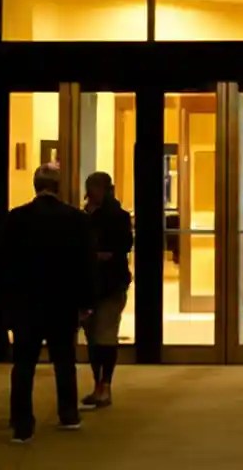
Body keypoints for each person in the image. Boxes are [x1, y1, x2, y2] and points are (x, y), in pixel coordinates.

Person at [0, 164, 96, 443]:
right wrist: (86, 302)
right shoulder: (76, 220)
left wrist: (6, 305)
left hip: (26, 304)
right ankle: (68, 413)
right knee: (64, 360)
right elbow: (85, 265)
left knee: (24, 364)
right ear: (58, 188)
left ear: (34, 186)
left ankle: (22, 424)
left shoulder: (16, 219)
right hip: (62, 303)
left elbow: (4, 265)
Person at [81, 172, 132, 410]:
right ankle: (97, 384)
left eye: (93, 189)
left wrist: (99, 254)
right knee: (92, 338)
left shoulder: (118, 216)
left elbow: (122, 246)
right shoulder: (84, 216)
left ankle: (106, 385)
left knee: (105, 336)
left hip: (111, 285)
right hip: (90, 285)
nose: (90, 195)